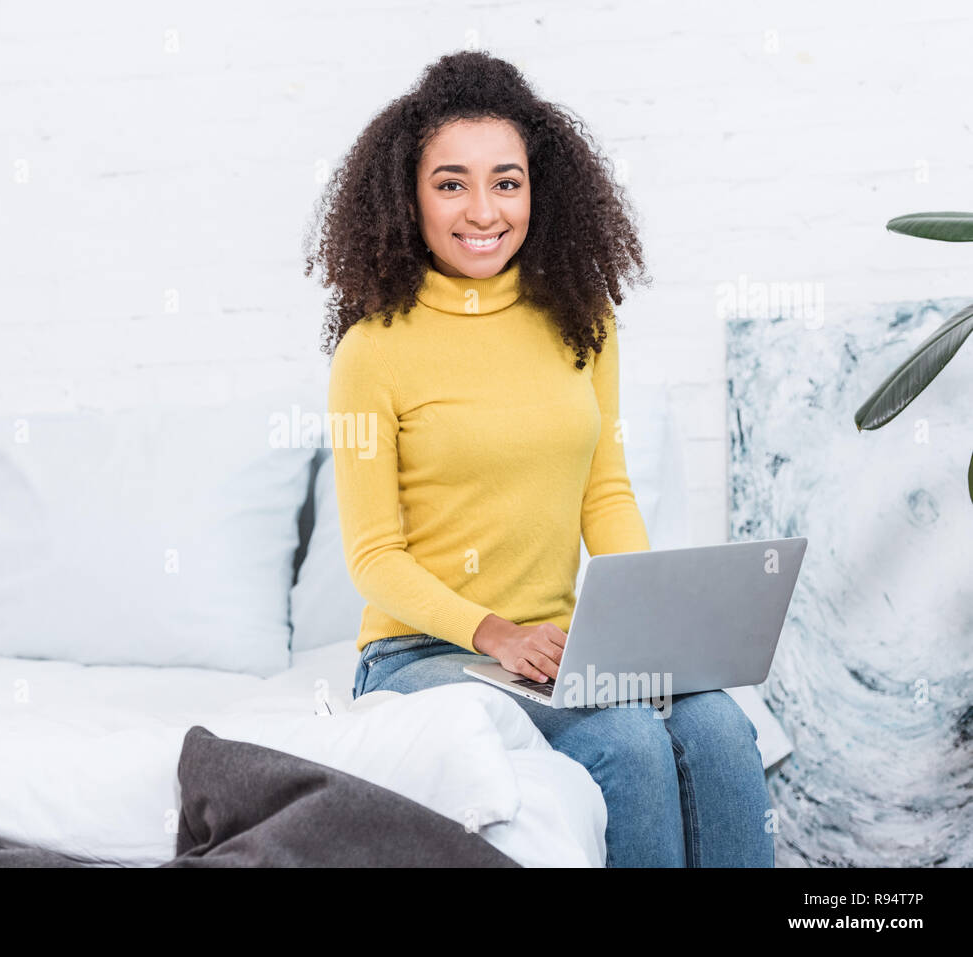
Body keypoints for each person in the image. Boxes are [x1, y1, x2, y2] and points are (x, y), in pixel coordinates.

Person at [303, 50, 773, 867]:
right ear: (408, 195)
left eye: (506, 181)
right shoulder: (371, 352)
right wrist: (493, 631)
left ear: (537, 189)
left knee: (723, 728)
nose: (482, 209)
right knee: (628, 742)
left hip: (558, 652)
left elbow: (606, 494)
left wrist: (656, 633)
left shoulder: (579, 318)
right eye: (451, 182)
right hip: (420, 654)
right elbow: (374, 558)